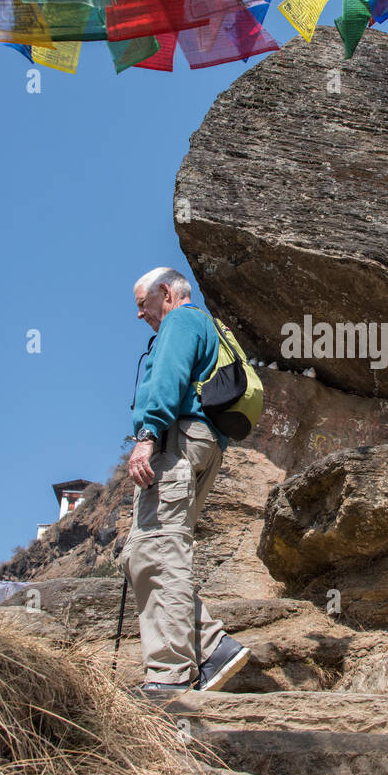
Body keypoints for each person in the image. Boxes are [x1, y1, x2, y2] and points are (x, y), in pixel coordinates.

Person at [123, 267, 250, 693]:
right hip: (207, 444)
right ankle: (214, 649)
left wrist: (146, 435)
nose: (140, 315)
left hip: (177, 439)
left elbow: (167, 378)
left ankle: (169, 677)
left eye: (142, 305)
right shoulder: (209, 325)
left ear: (164, 293)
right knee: (148, 553)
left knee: (157, 550)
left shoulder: (181, 320)